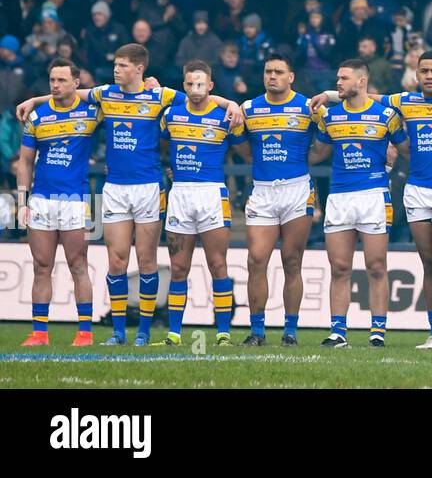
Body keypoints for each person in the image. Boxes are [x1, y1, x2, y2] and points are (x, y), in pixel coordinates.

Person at [15, 43, 243, 346]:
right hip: (115, 189)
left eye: (122, 66)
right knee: (117, 261)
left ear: (139, 69)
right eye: (115, 65)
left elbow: (197, 96)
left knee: (147, 261)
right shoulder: (106, 94)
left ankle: (144, 332)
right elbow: (69, 93)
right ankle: (118, 332)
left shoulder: (160, 95)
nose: (116, 70)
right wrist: (34, 99)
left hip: (149, 187)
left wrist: (229, 103)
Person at [309, 58, 408, 347]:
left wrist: (392, 162)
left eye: (343, 78)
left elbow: (406, 150)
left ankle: (377, 331)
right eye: (338, 78)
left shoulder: (386, 115)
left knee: (376, 265)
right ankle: (337, 331)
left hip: (374, 195)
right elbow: (318, 154)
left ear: (361, 81)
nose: (338, 83)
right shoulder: (331, 116)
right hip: (339, 196)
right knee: (339, 267)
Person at [229, 55, 316, 346]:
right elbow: (241, 144)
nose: (272, 76)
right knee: (256, 260)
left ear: (291, 77)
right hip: (263, 190)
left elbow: (326, 141)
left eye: (279, 72)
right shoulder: (249, 108)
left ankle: (290, 331)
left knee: (292, 260)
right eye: (268, 71)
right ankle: (257, 330)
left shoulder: (308, 107)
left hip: (297, 189)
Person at [158, 60, 242, 346]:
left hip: (211, 195)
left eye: (201, 84)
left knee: (217, 264)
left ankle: (222, 332)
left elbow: (245, 151)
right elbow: (161, 147)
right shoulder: (171, 115)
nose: (195, 89)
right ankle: (173, 333)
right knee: (178, 267)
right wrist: (171, 168)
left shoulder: (225, 116)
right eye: (190, 84)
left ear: (211, 86)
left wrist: (235, 106)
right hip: (180, 194)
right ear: (184, 86)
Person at [17, 58, 97, 347]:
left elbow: (119, 98)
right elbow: (25, 162)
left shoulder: (91, 113)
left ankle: (85, 333)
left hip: (75, 200)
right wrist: (22, 199)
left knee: (78, 264)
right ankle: (39, 333)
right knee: (41, 266)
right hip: (41, 200)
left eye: (62, 80)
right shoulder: (37, 118)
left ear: (77, 83)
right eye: (52, 80)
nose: (55, 85)